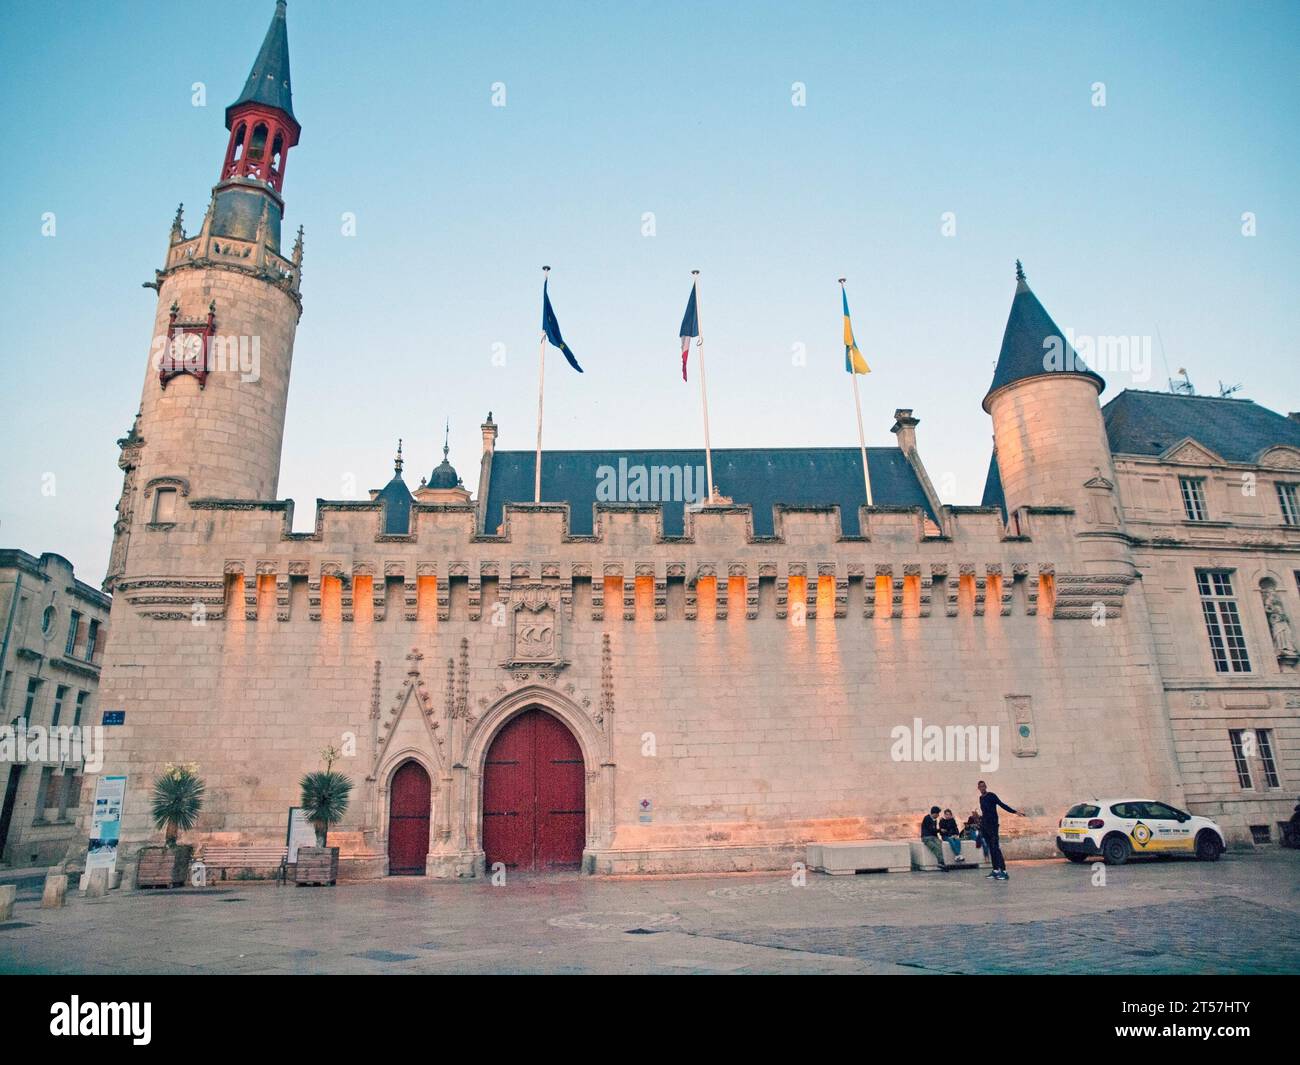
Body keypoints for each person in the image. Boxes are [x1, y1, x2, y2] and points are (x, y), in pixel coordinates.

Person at [977, 780, 1025, 881]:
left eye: (983, 786)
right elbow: (985, 813)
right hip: (985, 827)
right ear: (978, 788)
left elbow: (1002, 805)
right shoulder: (981, 798)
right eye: (980, 787)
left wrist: (1015, 812)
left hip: (993, 826)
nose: (982, 788)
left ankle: (1004, 871)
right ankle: (995, 870)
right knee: (991, 848)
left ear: (986, 786)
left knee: (996, 848)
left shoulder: (991, 795)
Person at [920, 805, 949, 870]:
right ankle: (941, 862)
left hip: (933, 837)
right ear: (935, 813)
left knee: (939, 845)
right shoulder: (927, 818)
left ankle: (941, 863)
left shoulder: (934, 820)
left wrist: (938, 838)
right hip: (926, 837)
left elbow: (934, 831)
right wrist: (940, 830)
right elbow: (931, 829)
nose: (938, 815)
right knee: (935, 847)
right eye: (938, 813)